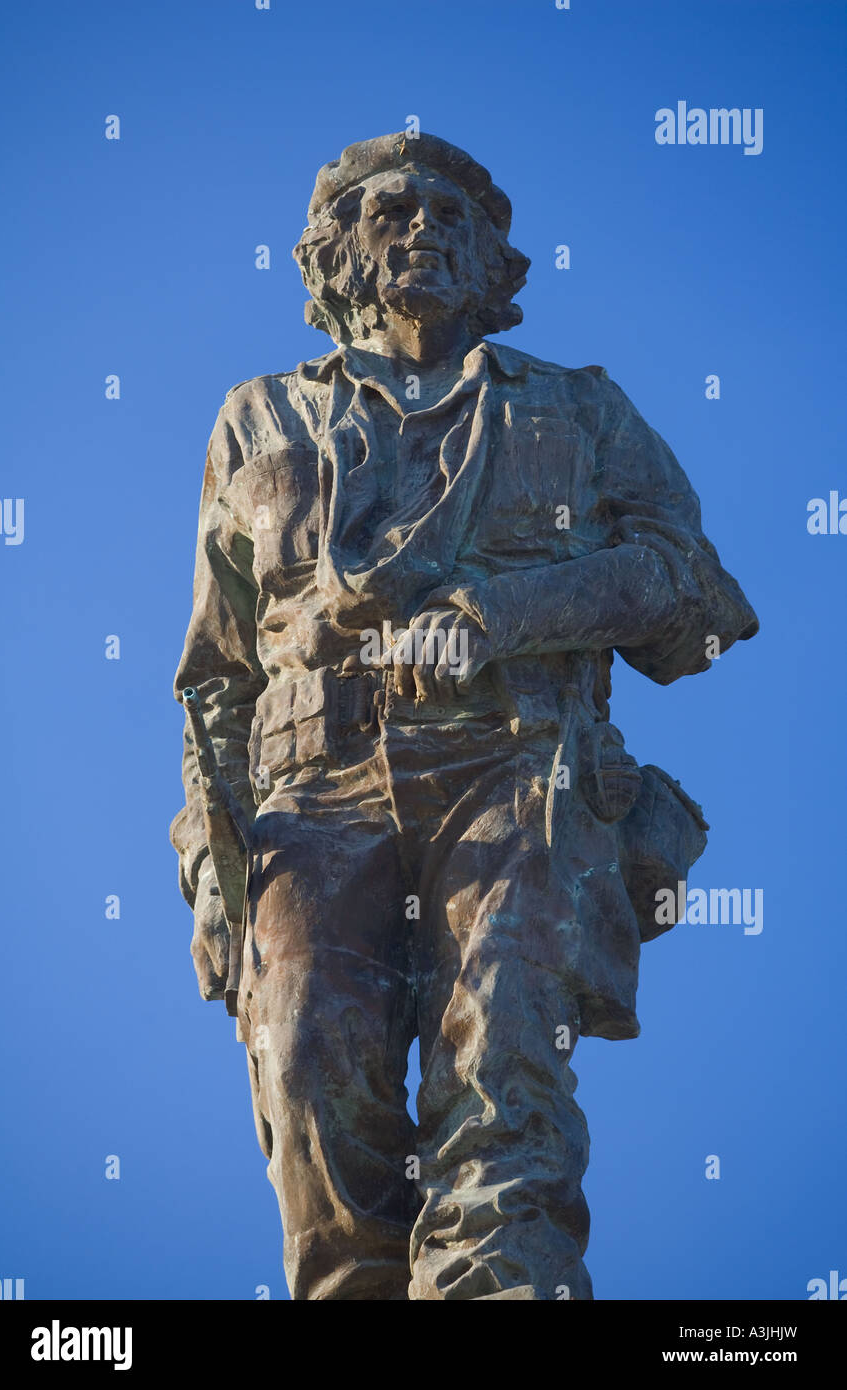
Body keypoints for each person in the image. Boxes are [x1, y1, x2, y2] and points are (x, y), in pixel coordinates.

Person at [171, 132, 758, 1300]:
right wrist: (209, 860)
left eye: (455, 216)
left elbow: (691, 603)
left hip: (515, 773)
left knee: (502, 1064)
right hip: (308, 792)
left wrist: (503, 609)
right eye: (390, 210)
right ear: (333, 251)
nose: (424, 228)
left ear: (497, 264)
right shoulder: (257, 418)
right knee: (300, 1064)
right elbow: (215, 679)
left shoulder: (579, 410)